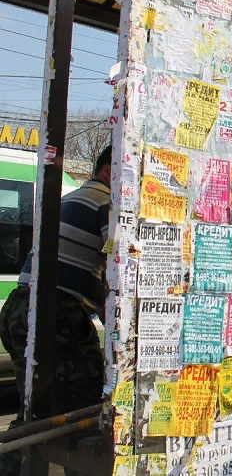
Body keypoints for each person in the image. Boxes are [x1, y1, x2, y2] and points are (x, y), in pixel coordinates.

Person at [0, 145, 111, 475]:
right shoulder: (105, 202)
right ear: (108, 170)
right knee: (87, 405)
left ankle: (13, 466)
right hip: (56, 309)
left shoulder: (69, 198)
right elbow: (120, 267)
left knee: (37, 405)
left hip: (19, 308)